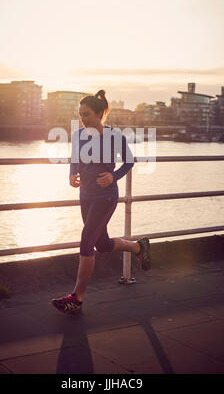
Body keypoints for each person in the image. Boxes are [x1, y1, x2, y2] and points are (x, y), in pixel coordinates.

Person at [51, 90, 151, 314]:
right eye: (80, 114)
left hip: (106, 196)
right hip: (85, 195)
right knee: (102, 244)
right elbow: (74, 159)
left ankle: (76, 297)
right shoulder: (78, 135)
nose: (83, 119)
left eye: (86, 114)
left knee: (86, 240)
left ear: (99, 114)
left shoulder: (115, 136)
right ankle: (138, 247)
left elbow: (129, 161)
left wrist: (113, 176)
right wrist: (72, 175)